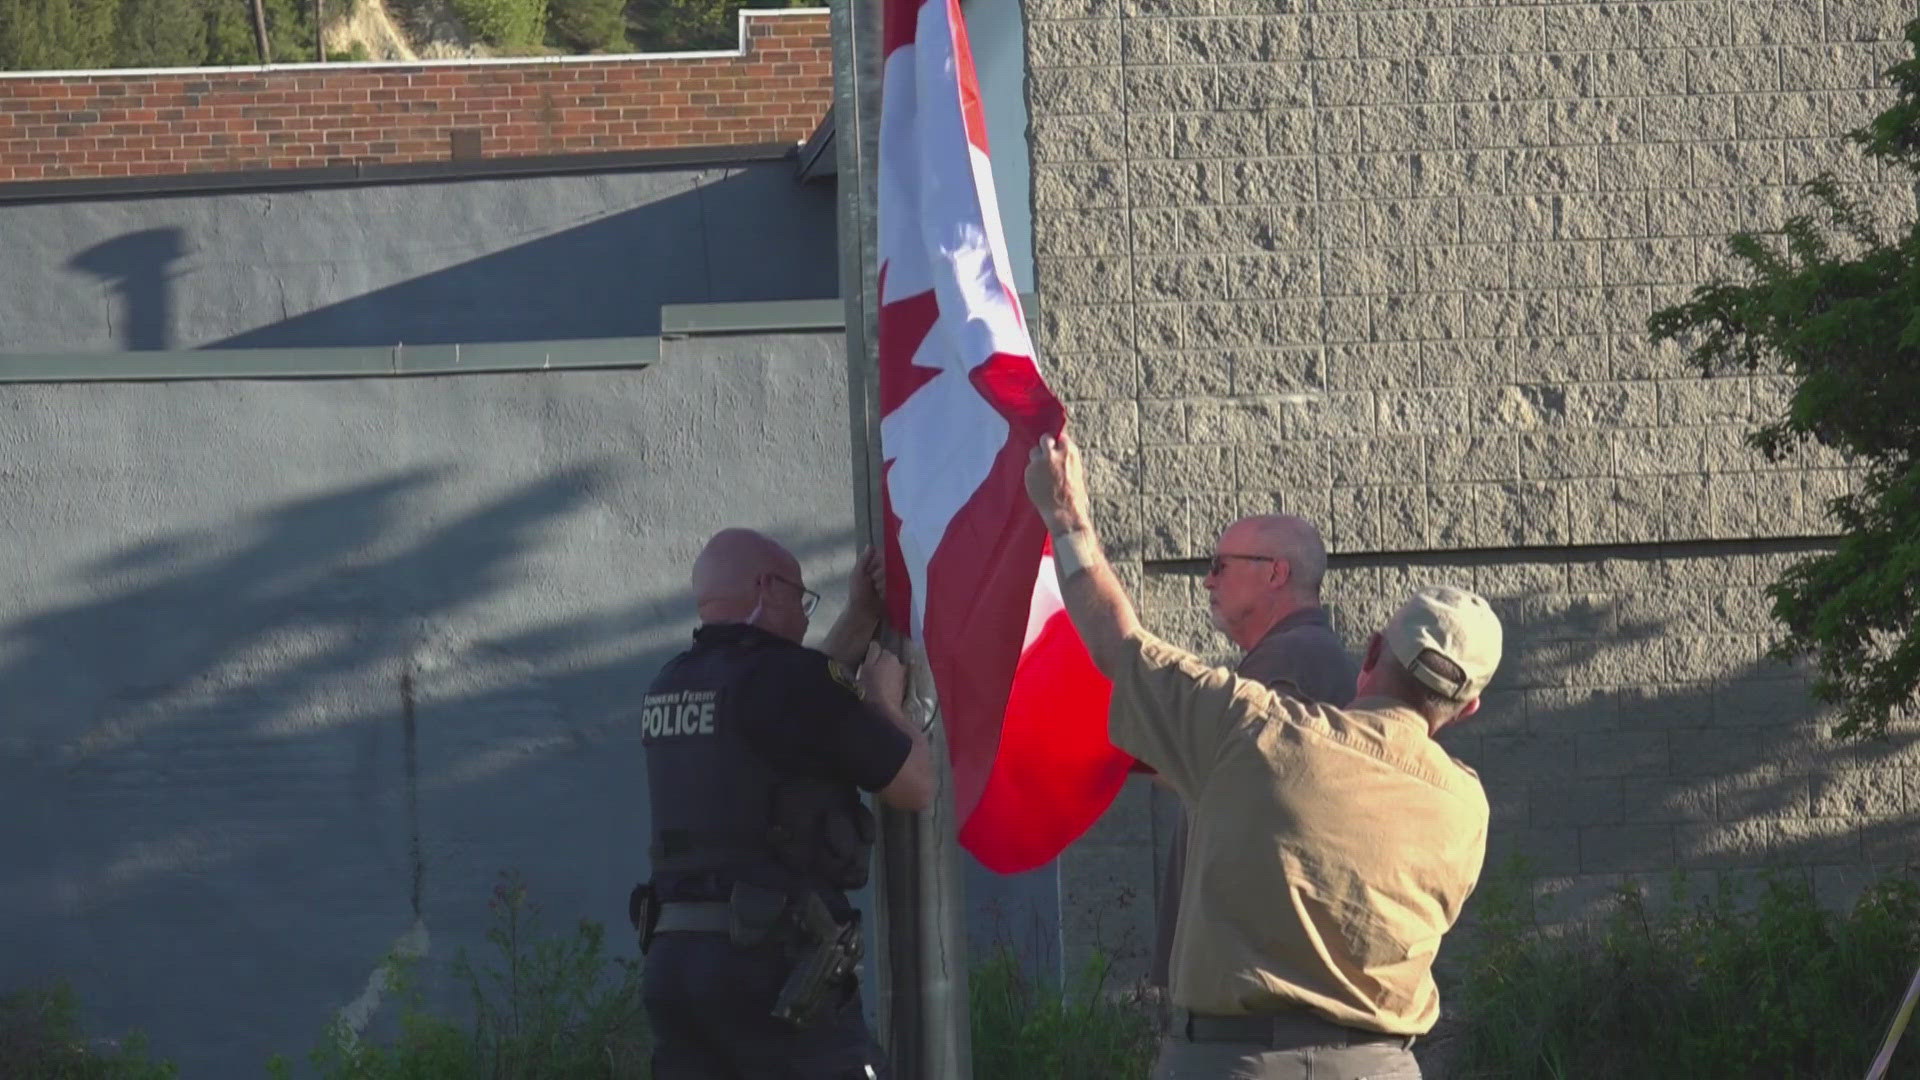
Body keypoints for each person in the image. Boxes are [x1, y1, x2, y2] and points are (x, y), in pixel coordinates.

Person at [1025, 434, 1498, 1080]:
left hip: (1233, 1060)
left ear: (1368, 654)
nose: (1210, 577)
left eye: (1222, 563)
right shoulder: (1467, 808)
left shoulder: (1258, 728)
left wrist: (1067, 516)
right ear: (1467, 708)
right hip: (1381, 1065)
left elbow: (1118, 645)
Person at [635, 528, 932, 1080]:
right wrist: (885, 703)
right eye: (800, 597)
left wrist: (859, 617)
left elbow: (792, 702)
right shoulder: (789, 684)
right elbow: (915, 785)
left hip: (676, 970)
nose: (802, 612)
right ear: (767, 586)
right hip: (774, 972)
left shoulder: (671, 682)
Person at [1149, 514, 1360, 995]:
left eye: (1220, 565)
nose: (1208, 580)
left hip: (1250, 991)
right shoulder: (1299, 656)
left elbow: (1194, 762)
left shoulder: (1289, 659)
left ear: (1275, 573)